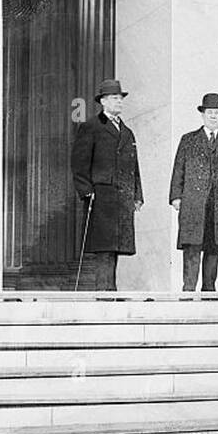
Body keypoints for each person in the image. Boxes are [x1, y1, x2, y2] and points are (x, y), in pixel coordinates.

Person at [70, 78, 143, 291]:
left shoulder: (127, 132)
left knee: (116, 247)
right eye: (114, 98)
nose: (119, 101)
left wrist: (137, 195)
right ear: (103, 101)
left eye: (121, 98)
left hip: (123, 197)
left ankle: (110, 291)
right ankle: (104, 292)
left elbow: (134, 167)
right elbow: (79, 162)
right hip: (102, 196)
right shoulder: (90, 127)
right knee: (104, 247)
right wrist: (86, 191)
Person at [169, 92, 218, 292]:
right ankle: (188, 289)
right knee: (192, 245)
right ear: (202, 115)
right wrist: (176, 196)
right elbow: (179, 168)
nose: (213, 116)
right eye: (210, 112)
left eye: (217, 112)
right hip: (194, 202)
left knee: (215, 246)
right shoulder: (188, 140)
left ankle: (209, 290)